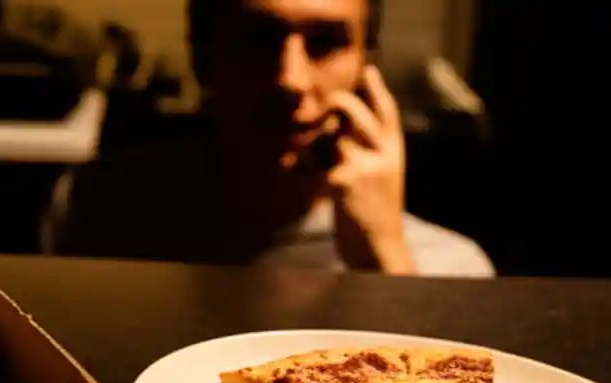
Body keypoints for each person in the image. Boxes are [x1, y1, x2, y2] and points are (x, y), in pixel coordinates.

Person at [188, 0, 493, 276]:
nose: (291, 80)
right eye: (258, 40)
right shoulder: (141, 225)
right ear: (203, 58)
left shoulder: (449, 269)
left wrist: (382, 256)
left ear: (367, 63)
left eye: (326, 43)